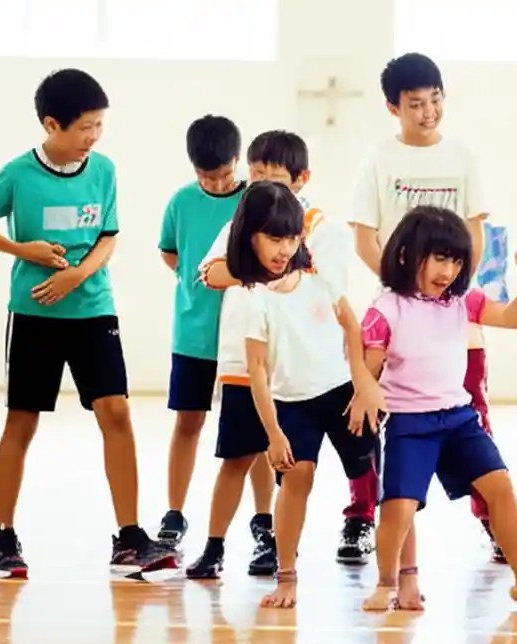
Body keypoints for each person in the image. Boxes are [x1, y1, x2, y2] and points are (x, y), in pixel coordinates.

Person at [0, 69, 175, 579]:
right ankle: (2, 538)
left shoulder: (103, 170)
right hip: (35, 313)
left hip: (93, 308)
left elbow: (108, 235)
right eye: (85, 127)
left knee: (116, 412)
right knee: (22, 420)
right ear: (51, 125)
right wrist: (24, 250)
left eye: (100, 125)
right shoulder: (18, 174)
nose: (94, 136)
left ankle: (129, 538)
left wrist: (78, 274)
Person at [357, 205, 517, 611]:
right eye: (439, 259)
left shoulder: (462, 302)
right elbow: (367, 372)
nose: (448, 271)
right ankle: (386, 584)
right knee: (399, 507)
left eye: (456, 262)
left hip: (459, 419)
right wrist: (363, 399)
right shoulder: (385, 309)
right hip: (409, 423)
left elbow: (514, 317)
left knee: (501, 488)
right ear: (405, 255)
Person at [349, 52, 494, 560]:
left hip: (454, 314)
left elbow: (474, 235)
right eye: (415, 104)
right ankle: (361, 516)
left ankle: (492, 517)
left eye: (435, 100)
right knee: (369, 413)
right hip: (396, 315)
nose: (428, 112)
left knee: (473, 414)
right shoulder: (378, 161)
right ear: (393, 107)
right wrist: (405, 291)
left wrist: (450, 291)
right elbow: (364, 239)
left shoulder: (463, 157)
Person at [186, 130, 348, 578]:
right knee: (236, 457)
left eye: (272, 177)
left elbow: (328, 290)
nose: (261, 185)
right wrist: (261, 268)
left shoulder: (321, 228)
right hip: (243, 362)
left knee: (292, 466)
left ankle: (276, 544)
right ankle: (214, 546)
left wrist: (259, 268)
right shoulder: (241, 223)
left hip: (298, 371)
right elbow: (210, 274)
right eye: (255, 175)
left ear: (301, 178)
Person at [228, 181, 383, 609]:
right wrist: (273, 433)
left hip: (342, 394)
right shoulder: (253, 299)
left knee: (377, 477)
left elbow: (353, 327)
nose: (284, 249)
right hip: (292, 404)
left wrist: (363, 386)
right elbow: (257, 371)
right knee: (297, 480)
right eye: (273, 238)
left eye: (292, 238)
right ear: (249, 237)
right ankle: (286, 577)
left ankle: (394, 578)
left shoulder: (320, 281)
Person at [156, 115, 250, 551]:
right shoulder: (180, 202)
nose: (215, 183)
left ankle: (263, 518)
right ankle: (174, 512)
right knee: (188, 422)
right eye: (205, 176)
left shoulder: (253, 201)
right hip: (192, 334)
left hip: (244, 336)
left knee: (251, 429)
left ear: (238, 160)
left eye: (224, 174)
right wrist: (196, 281)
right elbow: (170, 252)